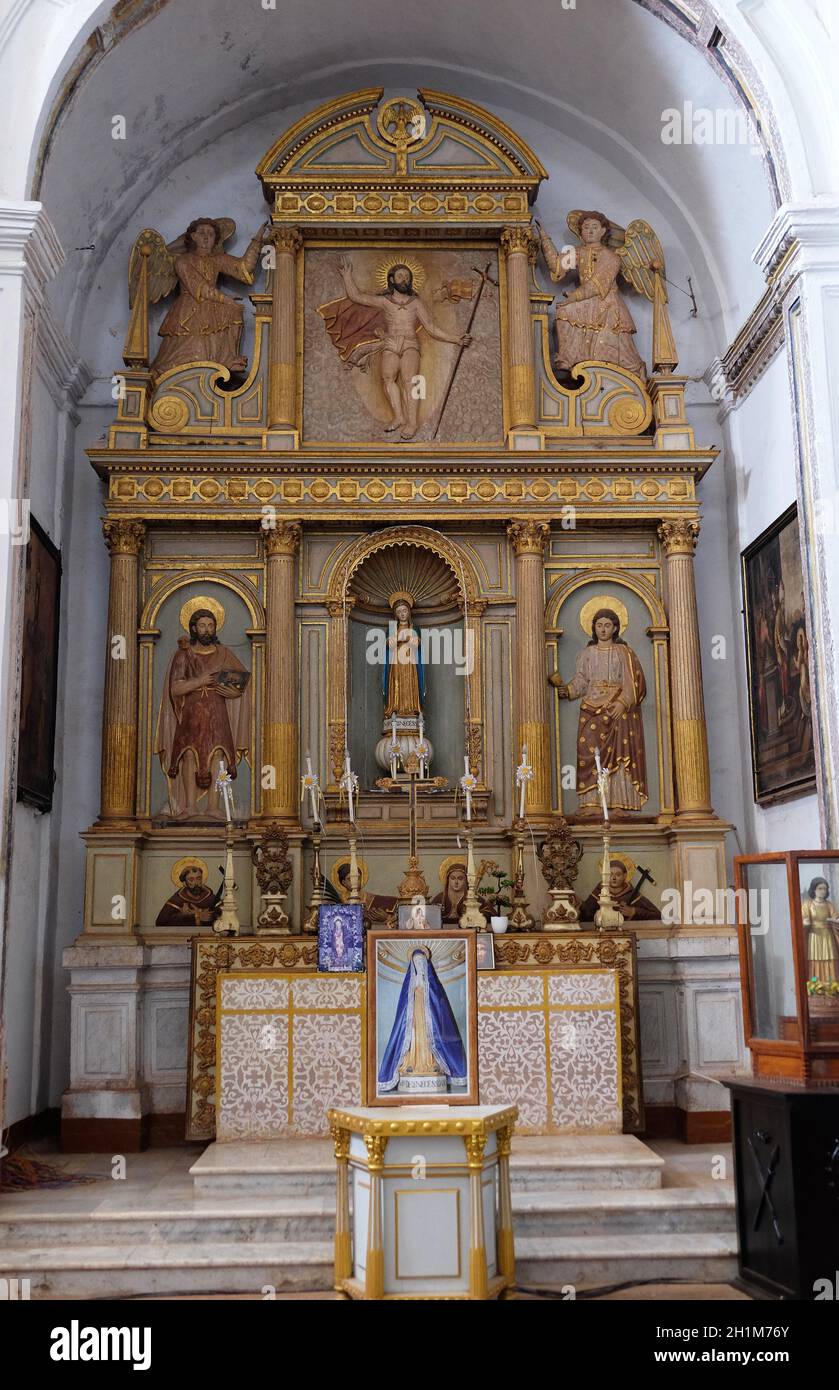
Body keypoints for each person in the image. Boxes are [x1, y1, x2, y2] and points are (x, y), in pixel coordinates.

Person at [331, 259, 471, 439]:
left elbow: (431, 328)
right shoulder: (385, 301)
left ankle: (411, 423)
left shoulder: (415, 303)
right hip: (390, 342)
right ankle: (398, 417)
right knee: (388, 378)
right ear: (391, 280)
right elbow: (357, 297)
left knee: (410, 381)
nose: (404, 279)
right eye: (400, 275)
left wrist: (455, 339)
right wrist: (347, 276)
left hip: (410, 342)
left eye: (406, 276)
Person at [550, 607, 647, 815]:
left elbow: (635, 682)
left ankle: (619, 802)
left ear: (615, 628)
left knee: (620, 753)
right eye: (599, 625)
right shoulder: (586, 654)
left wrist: (622, 702)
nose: (603, 629)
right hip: (591, 708)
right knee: (588, 752)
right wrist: (567, 690)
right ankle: (592, 802)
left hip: (617, 709)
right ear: (593, 628)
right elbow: (582, 681)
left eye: (607, 625)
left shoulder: (625, 653)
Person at [155, 608, 251, 819]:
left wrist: (232, 691)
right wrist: (199, 681)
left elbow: (242, 682)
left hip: (217, 712)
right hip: (192, 712)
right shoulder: (183, 655)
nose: (207, 630)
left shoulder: (224, 653)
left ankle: (213, 806)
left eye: (210, 625)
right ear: (194, 628)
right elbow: (175, 689)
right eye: (202, 626)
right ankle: (189, 806)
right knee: (189, 754)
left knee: (218, 754)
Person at [153, 217, 269, 375]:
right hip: (191, 306)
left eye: (211, 234)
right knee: (189, 351)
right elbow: (199, 286)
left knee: (234, 310)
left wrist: (257, 240)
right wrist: (225, 299)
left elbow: (243, 267)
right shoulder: (183, 261)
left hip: (214, 304)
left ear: (216, 239)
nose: (206, 237)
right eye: (202, 233)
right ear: (193, 236)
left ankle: (228, 358)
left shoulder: (217, 259)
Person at [535, 211, 645, 378]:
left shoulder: (611, 257)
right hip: (586, 302)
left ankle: (633, 371)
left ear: (603, 231)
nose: (590, 231)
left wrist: (574, 296)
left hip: (606, 304)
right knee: (563, 311)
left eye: (595, 227)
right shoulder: (578, 252)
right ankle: (567, 358)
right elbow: (557, 266)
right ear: (581, 232)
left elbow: (598, 284)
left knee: (623, 355)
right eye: (586, 227)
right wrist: (544, 237)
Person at [378, 947, 467, 1093]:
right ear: (413, 964)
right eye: (416, 962)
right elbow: (404, 1007)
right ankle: (413, 1063)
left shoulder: (432, 983)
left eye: (422, 962)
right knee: (414, 1038)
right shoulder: (410, 983)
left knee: (427, 1039)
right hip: (414, 1017)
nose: (419, 965)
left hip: (429, 1019)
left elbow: (439, 1006)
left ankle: (429, 1063)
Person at [579, 859, 660, 922]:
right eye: (610, 874)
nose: (614, 878)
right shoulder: (599, 892)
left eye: (618, 874)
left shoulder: (632, 894)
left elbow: (657, 915)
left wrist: (634, 911)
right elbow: (584, 915)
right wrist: (578, 903)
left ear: (624, 876)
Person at [801, 877, 839, 985]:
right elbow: (802, 920)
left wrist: (833, 920)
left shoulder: (829, 905)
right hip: (814, 936)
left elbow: (835, 918)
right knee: (815, 959)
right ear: (814, 889)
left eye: (825, 889)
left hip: (827, 935)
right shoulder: (808, 904)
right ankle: (815, 986)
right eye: (820, 888)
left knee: (830, 958)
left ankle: (832, 986)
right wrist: (805, 923)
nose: (823, 891)